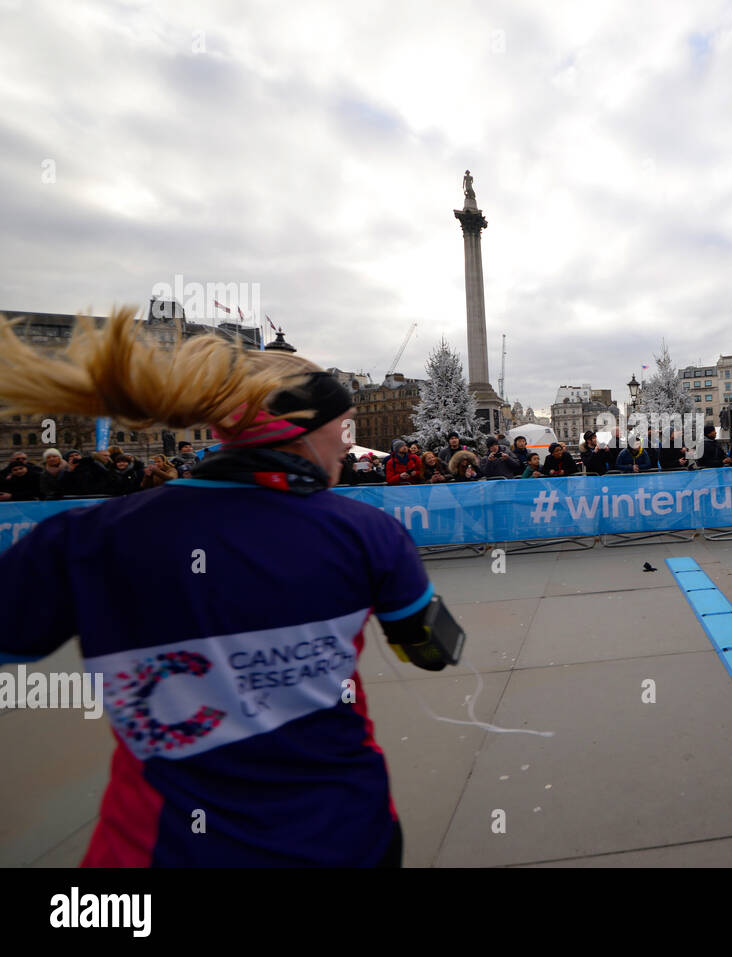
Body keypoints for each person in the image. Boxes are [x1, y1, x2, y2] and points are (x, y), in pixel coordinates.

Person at [0, 305, 447, 866]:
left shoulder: (86, 537)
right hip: (341, 834)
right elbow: (429, 650)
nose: (347, 444)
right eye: (344, 427)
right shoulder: (367, 532)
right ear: (302, 431)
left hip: (152, 849)